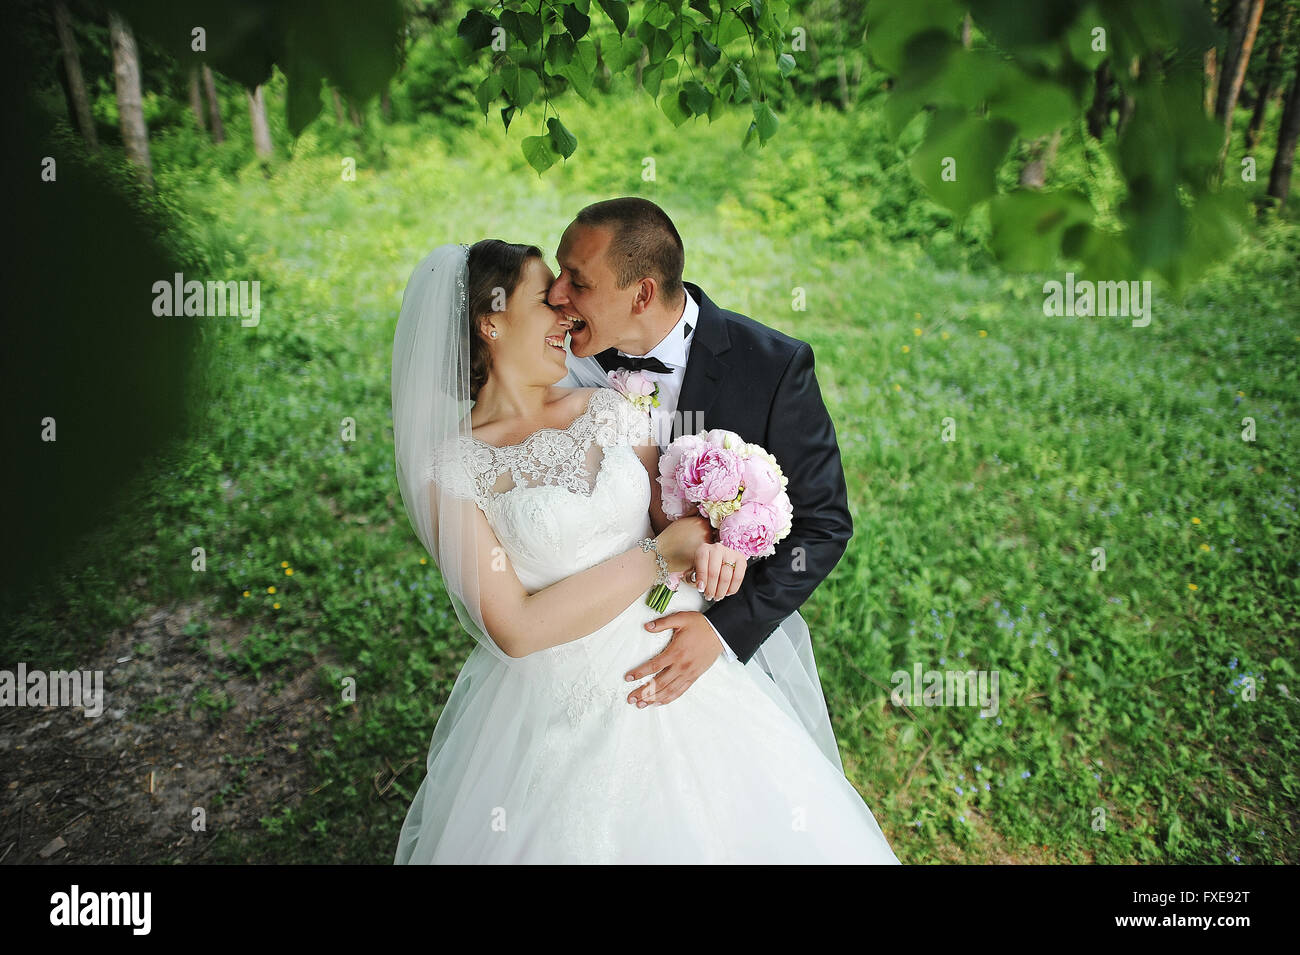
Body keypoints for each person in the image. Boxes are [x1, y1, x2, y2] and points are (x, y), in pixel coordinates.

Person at [390, 237, 898, 863]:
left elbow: (680, 518)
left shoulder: (606, 407)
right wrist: (661, 555)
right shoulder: (451, 469)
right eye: (544, 301)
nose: (565, 313)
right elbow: (516, 628)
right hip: (557, 694)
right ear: (491, 321)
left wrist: (718, 542)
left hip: (674, 654)